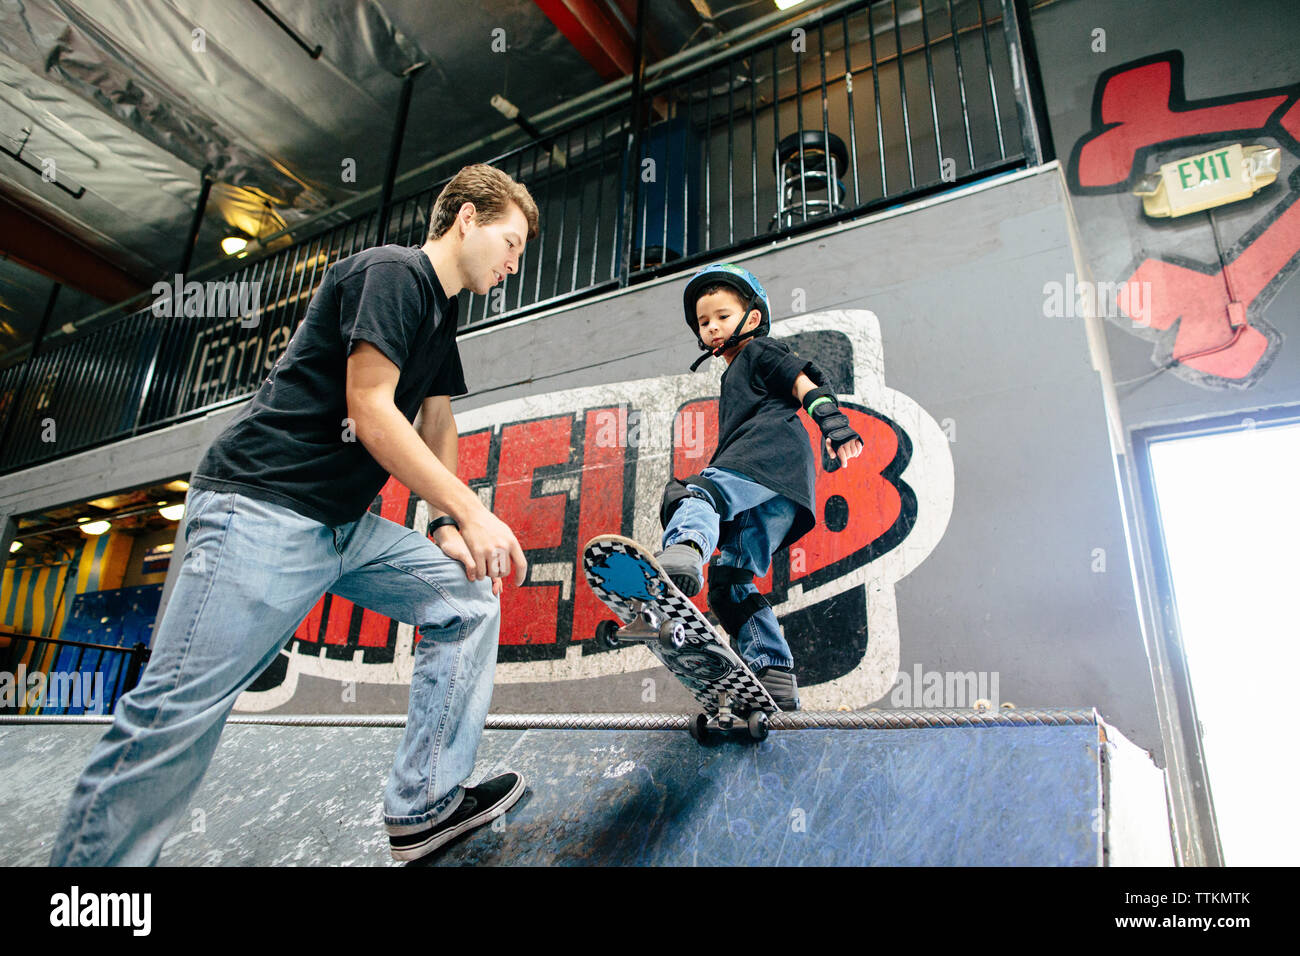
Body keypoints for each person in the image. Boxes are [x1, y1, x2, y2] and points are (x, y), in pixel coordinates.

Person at [49, 164, 539, 865]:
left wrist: (445, 522)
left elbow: (435, 418)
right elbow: (371, 411)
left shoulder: (441, 313)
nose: (515, 264)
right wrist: (472, 510)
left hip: (342, 526)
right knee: (176, 714)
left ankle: (425, 805)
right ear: (467, 218)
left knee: (465, 601)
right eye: (512, 242)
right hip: (261, 505)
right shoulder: (394, 273)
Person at [656, 263, 863, 710]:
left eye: (722, 317)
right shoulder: (737, 372)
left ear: (751, 318)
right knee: (730, 583)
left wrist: (833, 423)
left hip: (768, 457)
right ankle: (773, 672)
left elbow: (804, 382)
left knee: (697, 494)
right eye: (704, 322)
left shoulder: (760, 351)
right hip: (782, 489)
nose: (711, 328)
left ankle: (684, 550)